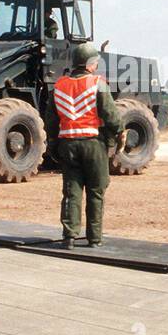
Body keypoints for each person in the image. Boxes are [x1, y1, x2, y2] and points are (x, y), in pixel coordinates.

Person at [48, 43, 123, 248]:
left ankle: (69, 237)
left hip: (67, 144)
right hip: (93, 144)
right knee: (96, 191)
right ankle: (94, 239)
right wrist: (119, 132)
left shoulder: (58, 86)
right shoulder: (98, 83)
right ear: (91, 64)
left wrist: (53, 145)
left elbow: (51, 121)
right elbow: (111, 115)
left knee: (71, 191)